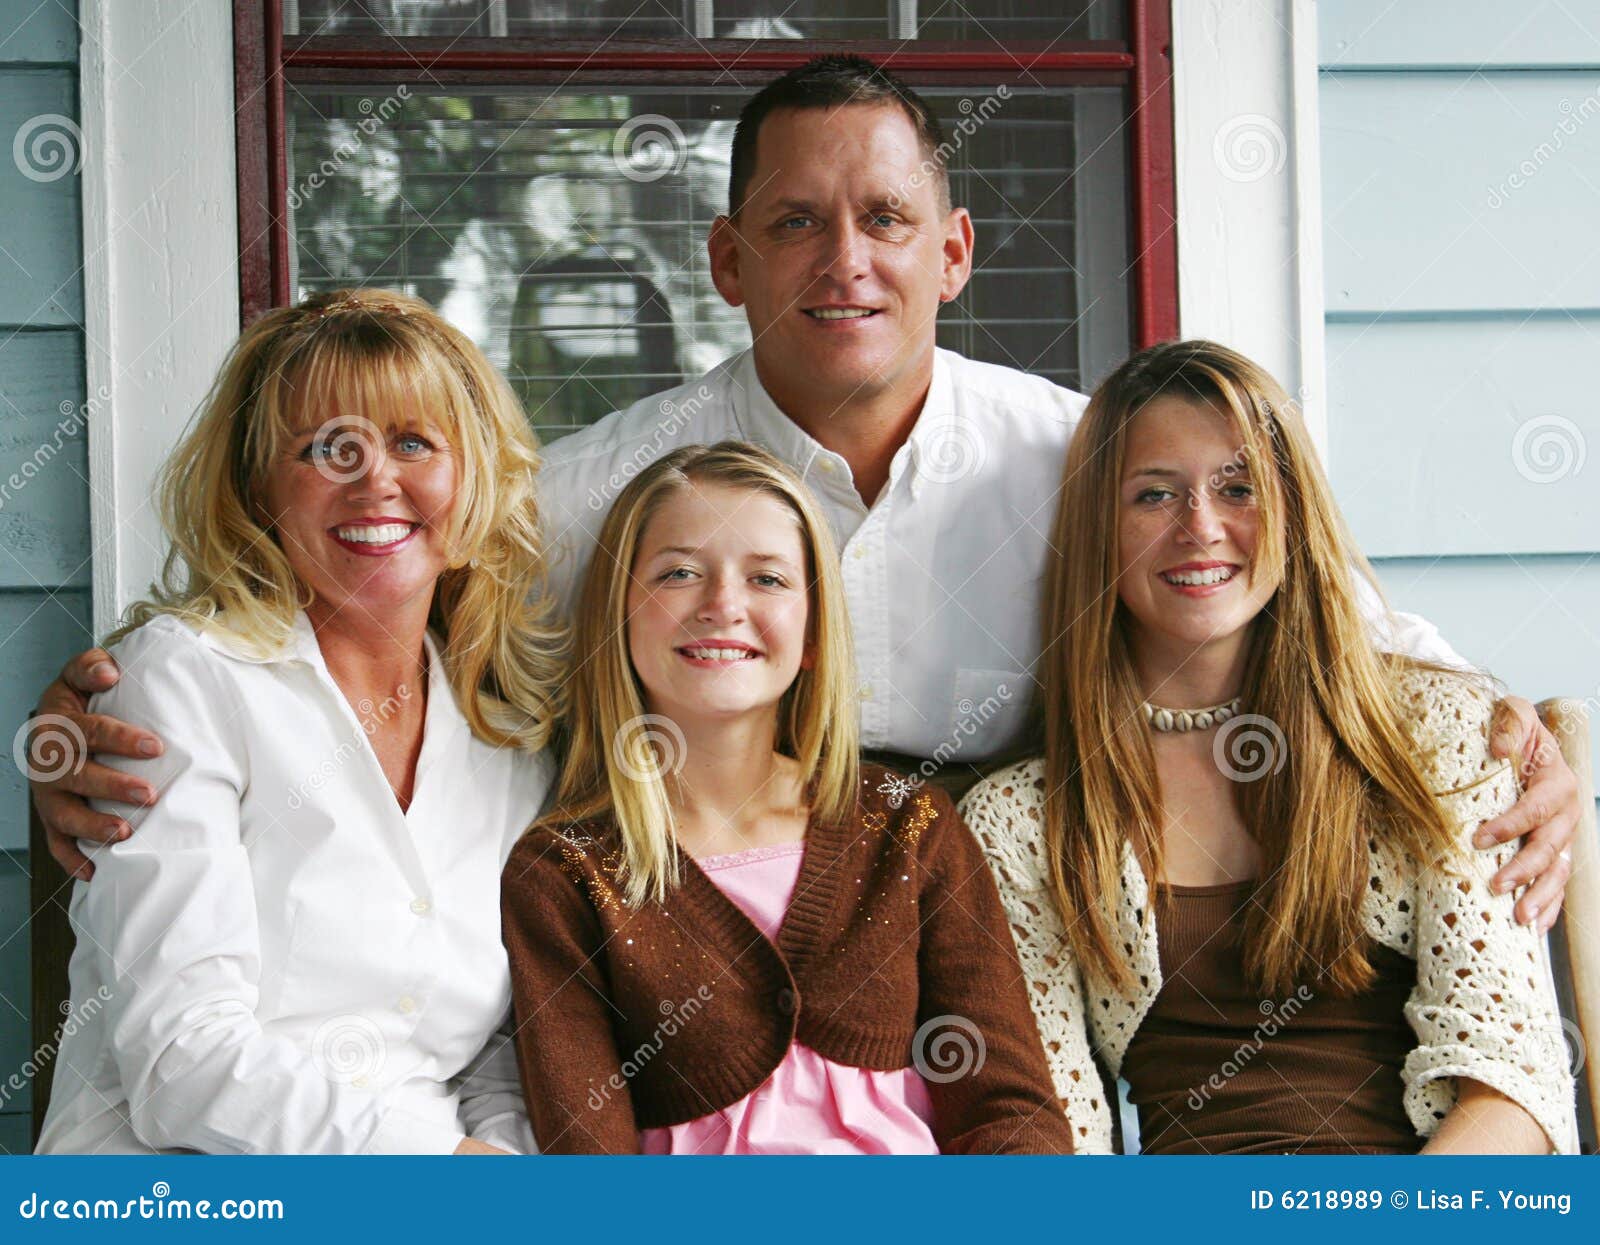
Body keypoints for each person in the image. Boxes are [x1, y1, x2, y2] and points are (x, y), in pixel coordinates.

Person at [28, 58, 1579, 929]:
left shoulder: (1086, 460)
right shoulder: (592, 496)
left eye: (889, 221)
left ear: (954, 251)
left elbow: (1336, 624)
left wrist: (1535, 741)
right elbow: (356, 622)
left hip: (1007, 926)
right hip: (695, 930)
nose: (848, 264)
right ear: (726, 260)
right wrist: (105, 710)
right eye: (796, 224)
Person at [960, 340, 1578, 1155]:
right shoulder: (1018, 822)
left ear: (1292, 509)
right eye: (1154, 495)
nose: (1201, 528)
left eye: (1238, 487)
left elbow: (1514, 1088)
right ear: (1099, 531)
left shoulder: (1437, 733)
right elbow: (1054, 1131)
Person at [34, 290, 562, 1154]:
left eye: (415, 442)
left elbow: (494, 1052)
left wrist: (502, 1161)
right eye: (328, 447)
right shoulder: (186, 679)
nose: (376, 478)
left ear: (472, 489)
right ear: (256, 492)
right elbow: (181, 1062)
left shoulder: (505, 733)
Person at [501, 443, 1072, 1154]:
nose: (722, 606)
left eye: (767, 578)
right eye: (678, 572)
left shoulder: (908, 825)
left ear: (811, 633)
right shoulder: (564, 873)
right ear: (619, 614)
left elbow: (1011, 1111)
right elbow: (589, 1161)